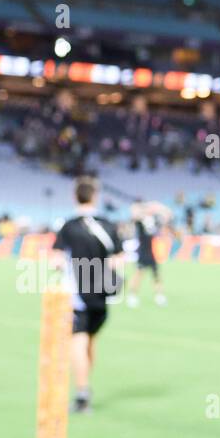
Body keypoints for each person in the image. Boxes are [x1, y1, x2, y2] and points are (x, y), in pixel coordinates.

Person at [52, 176, 122, 414]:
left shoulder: (69, 226)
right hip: (103, 293)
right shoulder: (108, 224)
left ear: (75, 197)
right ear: (95, 196)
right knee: (90, 341)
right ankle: (84, 387)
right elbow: (118, 259)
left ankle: (82, 394)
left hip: (79, 295)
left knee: (78, 341)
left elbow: (56, 260)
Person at [127, 199, 172, 306]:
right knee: (138, 274)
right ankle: (132, 295)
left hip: (151, 252)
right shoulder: (140, 220)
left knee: (156, 275)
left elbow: (168, 215)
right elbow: (134, 213)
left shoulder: (154, 220)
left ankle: (159, 296)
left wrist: (159, 207)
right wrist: (144, 207)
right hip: (142, 251)